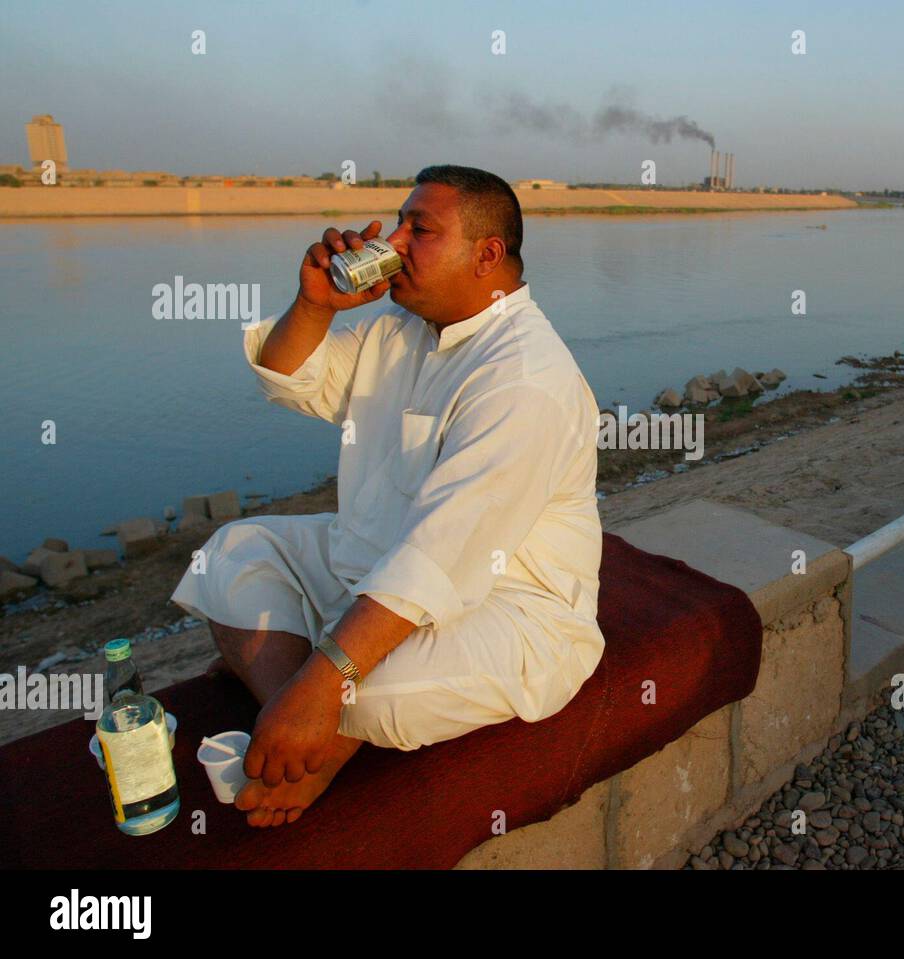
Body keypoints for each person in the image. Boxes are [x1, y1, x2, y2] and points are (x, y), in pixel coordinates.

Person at [170, 166, 606, 827]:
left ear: (487, 253)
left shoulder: (524, 377)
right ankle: (299, 725)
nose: (395, 242)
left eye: (420, 230)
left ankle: (310, 731)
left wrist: (324, 678)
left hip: (506, 603)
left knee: (376, 693)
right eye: (398, 224)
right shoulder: (401, 332)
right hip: (374, 560)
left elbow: (440, 554)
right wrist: (315, 303)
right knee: (230, 554)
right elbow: (292, 378)